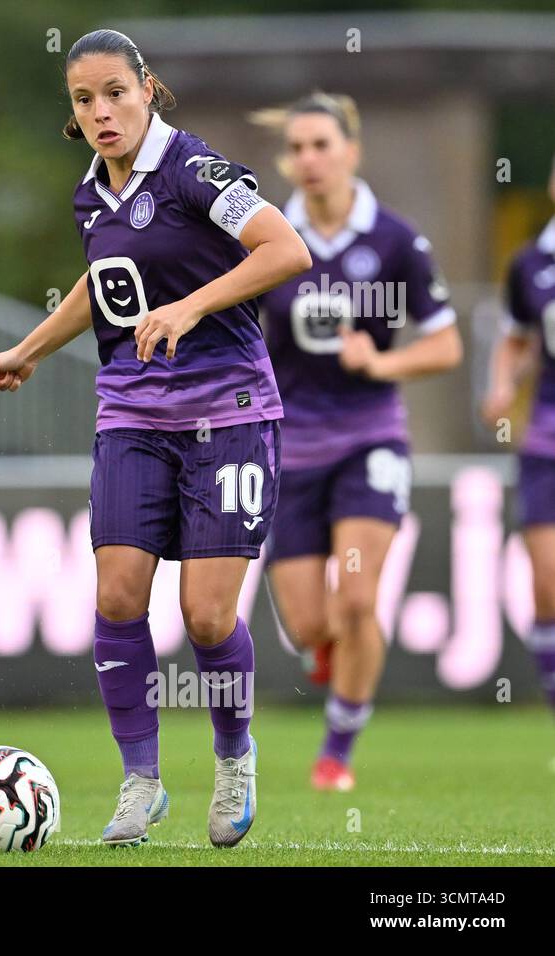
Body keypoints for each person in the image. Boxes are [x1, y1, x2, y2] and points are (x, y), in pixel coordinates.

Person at [0, 29, 310, 847]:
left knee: (203, 617)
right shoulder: (92, 193)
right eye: (84, 100)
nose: (100, 112)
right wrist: (29, 350)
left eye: (115, 93)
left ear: (148, 89)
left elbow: (286, 249)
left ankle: (233, 757)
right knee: (119, 596)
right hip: (131, 412)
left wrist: (193, 306)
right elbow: (104, 282)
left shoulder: (197, 170)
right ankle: (140, 783)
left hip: (227, 413)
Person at [251, 92, 462, 792]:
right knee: (310, 626)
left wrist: (383, 363)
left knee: (356, 600)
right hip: (290, 452)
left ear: (352, 152)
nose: (309, 159)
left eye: (322, 145)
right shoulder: (268, 238)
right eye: (298, 148)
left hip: (368, 443)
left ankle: (336, 749)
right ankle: (329, 654)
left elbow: (445, 345)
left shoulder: (394, 240)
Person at [481, 154, 555, 756]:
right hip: (547, 440)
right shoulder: (531, 264)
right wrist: (504, 385)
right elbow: (518, 342)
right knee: (548, 584)